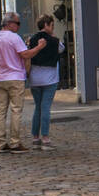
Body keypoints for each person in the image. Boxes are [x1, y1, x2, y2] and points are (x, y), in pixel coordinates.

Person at [0, 12, 44, 154]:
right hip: (16, 77)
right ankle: (14, 143)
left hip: (2, 78)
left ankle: (0, 143)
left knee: (1, 111)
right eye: (17, 23)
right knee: (16, 110)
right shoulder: (14, 38)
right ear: (9, 23)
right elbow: (25, 55)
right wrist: (39, 47)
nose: (19, 26)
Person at [27, 14, 64, 151]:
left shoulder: (32, 39)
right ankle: (46, 137)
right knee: (46, 108)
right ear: (46, 25)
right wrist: (53, 35)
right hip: (50, 79)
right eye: (52, 25)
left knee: (38, 107)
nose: (53, 27)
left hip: (35, 79)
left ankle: (35, 137)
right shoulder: (54, 41)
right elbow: (62, 49)